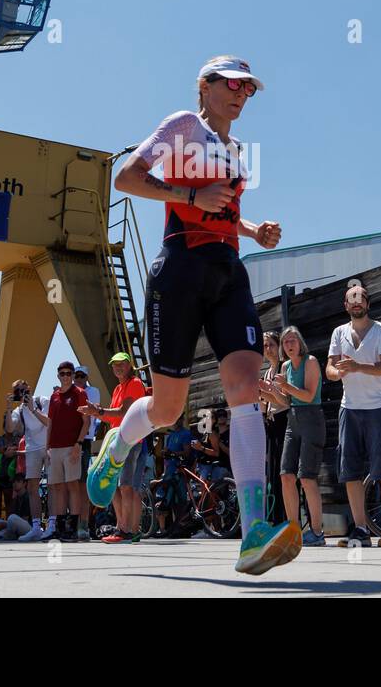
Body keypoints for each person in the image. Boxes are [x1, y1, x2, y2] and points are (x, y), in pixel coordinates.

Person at [88, 57, 296, 574]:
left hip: (228, 271)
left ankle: (252, 536)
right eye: (232, 84)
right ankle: (119, 442)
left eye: (248, 88)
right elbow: (126, 179)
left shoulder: (237, 150)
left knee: (246, 388)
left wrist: (254, 232)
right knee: (167, 411)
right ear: (204, 86)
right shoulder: (184, 125)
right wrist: (188, 193)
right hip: (178, 269)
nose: (241, 95)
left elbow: (220, 214)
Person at [328, 283, 381, 547]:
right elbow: (330, 368)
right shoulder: (339, 332)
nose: (356, 302)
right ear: (346, 305)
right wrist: (339, 373)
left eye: (361, 298)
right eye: (351, 298)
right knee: (350, 471)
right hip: (349, 408)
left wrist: (358, 366)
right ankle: (360, 529)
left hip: (378, 408)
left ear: (367, 304)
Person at [261, 325, 326, 545]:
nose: (289, 345)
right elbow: (286, 402)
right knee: (286, 476)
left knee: (307, 477)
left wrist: (285, 386)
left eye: (292, 341)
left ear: (300, 343)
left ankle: (317, 532)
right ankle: (294, 530)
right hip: (293, 420)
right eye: (286, 342)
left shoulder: (311, 362)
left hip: (311, 419)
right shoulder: (286, 366)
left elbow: (308, 396)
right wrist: (268, 392)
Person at [81, 352, 148, 543]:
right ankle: (126, 528)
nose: (117, 367)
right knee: (121, 488)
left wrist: (98, 411)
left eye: (121, 364)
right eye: (114, 365)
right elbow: (113, 417)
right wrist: (97, 412)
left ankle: (126, 529)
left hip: (129, 441)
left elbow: (124, 412)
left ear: (129, 365)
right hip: (122, 440)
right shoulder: (119, 388)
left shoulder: (134, 384)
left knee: (125, 487)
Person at [46, 362, 91, 541]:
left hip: (72, 446)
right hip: (55, 447)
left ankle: (72, 529)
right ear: (58, 375)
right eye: (62, 373)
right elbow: (50, 423)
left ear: (73, 375)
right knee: (58, 487)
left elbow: (86, 421)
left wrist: (78, 444)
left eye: (68, 373)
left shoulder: (80, 394)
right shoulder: (54, 397)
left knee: (73, 486)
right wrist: (46, 446)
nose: (65, 376)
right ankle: (59, 528)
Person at [10, 379, 50, 541]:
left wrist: (33, 409)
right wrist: (7, 407)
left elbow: (49, 421)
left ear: (30, 388)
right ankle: (36, 527)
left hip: (48, 445)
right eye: (18, 391)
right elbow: (9, 428)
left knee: (54, 486)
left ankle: (53, 525)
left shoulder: (42, 400)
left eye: (24, 389)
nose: (22, 393)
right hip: (32, 449)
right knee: (32, 487)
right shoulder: (18, 411)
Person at [258, 331, 289, 526]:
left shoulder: (283, 369)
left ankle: (284, 517)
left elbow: (285, 401)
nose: (268, 349)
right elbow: (264, 405)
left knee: (282, 471)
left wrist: (268, 392)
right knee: (271, 473)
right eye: (264, 346)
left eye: (271, 345)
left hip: (283, 419)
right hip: (270, 421)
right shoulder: (267, 371)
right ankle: (275, 517)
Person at [75, 366, 101, 482]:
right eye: (76, 376)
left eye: (82, 376)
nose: (79, 378)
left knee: (82, 474)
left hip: (85, 437)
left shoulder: (93, 391)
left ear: (87, 378)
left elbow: (87, 408)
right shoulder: (69, 392)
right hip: (70, 437)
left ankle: (84, 500)